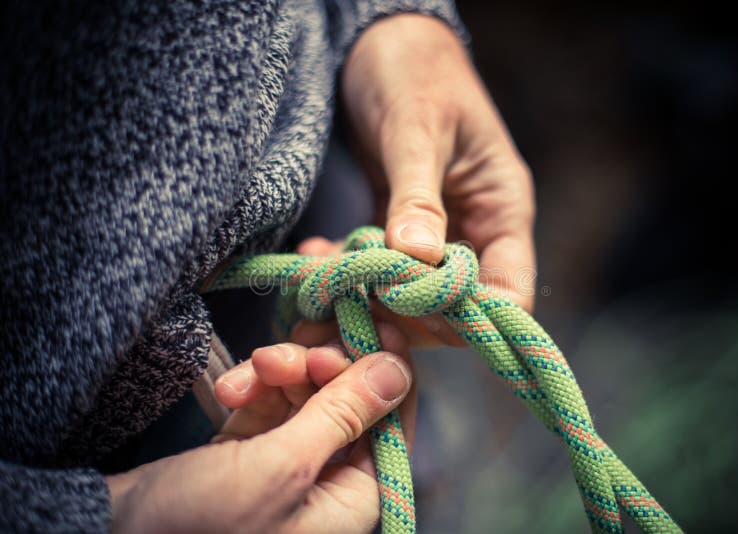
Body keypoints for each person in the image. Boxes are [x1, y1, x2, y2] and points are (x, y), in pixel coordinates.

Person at [0, 1, 535, 531]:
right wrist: (99, 514)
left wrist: (393, 23)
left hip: (331, 169)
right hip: (146, 455)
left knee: (393, 461)